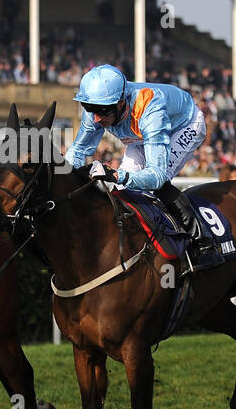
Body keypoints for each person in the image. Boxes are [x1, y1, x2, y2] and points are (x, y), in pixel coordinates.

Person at [64, 64, 221, 268]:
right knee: (120, 191)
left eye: (102, 111)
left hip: (184, 125)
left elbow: (156, 176)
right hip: (140, 135)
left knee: (156, 186)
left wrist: (116, 175)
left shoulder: (149, 107)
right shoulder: (98, 105)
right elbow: (78, 151)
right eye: (89, 108)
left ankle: (204, 244)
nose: (95, 118)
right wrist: (64, 181)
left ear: (121, 102)